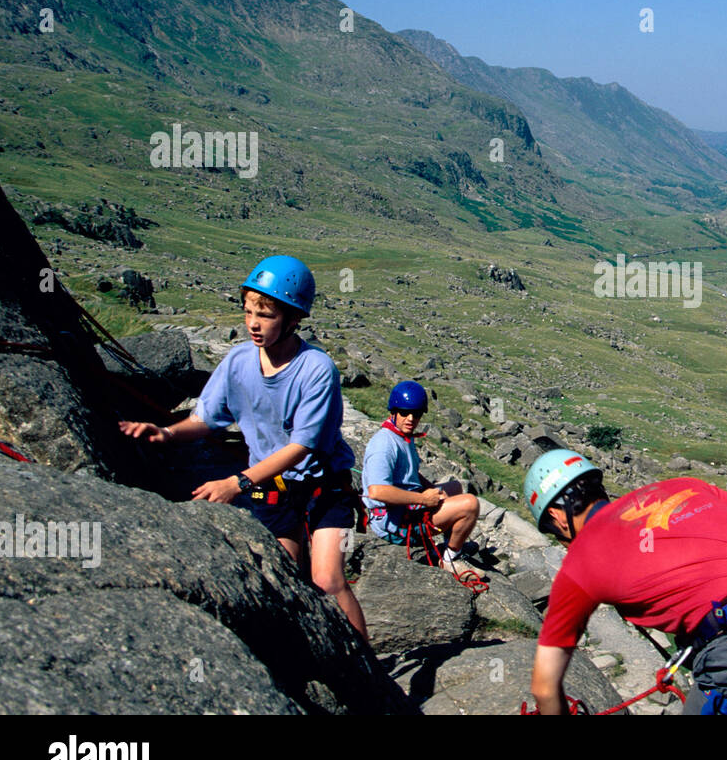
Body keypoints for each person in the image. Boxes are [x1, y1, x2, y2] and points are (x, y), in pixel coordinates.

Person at [119, 255, 367, 639]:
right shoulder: (237, 362)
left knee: (327, 579)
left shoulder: (317, 369)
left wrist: (237, 483)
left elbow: (302, 446)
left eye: (265, 315)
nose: (253, 322)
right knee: (283, 572)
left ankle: (370, 678)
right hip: (272, 489)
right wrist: (167, 433)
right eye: (249, 311)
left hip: (322, 486)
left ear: (292, 318)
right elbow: (206, 419)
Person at [525, 450, 727, 715]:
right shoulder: (681, 486)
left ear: (556, 516)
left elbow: (544, 685)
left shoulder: (582, 558)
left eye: (553, 533)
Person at [360, 381, 480, 572]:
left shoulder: (402, 436)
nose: (410, 418)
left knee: (455, 487)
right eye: (404, 413)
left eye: (415, 414)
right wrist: (423, 499)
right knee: (470, 504)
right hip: (393, 523)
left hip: (404, 508)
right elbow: (376, 491)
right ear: (394, 411)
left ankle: (448, 542)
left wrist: (430, 490)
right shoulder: (384, 444)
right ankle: (449, 559)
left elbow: (409, 473)